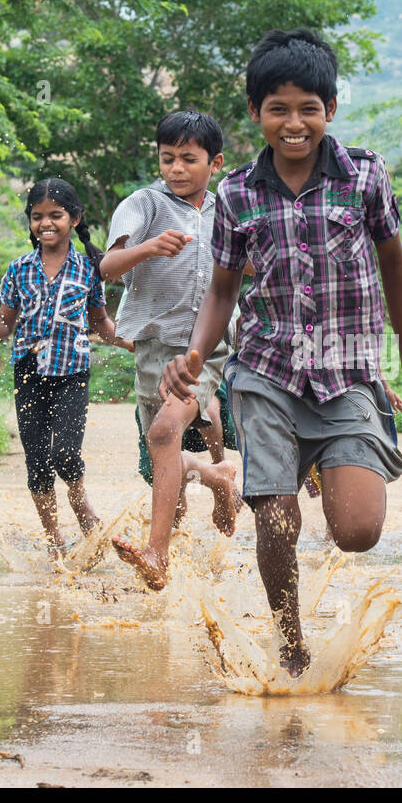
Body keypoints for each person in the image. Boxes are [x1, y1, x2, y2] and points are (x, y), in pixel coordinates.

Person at [160, 28, 402, 677]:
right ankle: (289, 633)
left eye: (308, 108)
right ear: (254, 113)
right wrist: (193, 355)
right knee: (275, 517)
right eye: (278, 108)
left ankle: (325, 463)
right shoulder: (236, 193)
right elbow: (222, 289)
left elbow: (395, 266)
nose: (294, 124)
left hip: (348, 373)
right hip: (264, 373)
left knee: (357, 531)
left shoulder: (364, 176)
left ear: (329, 109)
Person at [99, 111, 241, 589]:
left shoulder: (227, 212)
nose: (176, 169)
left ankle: (157, 555)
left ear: (214, 162)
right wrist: (149, 248)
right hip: (152, 347)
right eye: (167, 159)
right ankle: (219, 477)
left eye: (188, 159)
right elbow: (106, 267)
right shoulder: (143, 205)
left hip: (204, 348)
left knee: (163, 432)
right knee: (163, 451)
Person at [0, 178, 128, 564]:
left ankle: (83, 509)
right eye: (37, 216)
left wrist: (133, 342)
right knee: (37, 459)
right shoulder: (19, 269)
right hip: (27, 372)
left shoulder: (89, 268)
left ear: (74, 219)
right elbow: (4, 328)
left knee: (65, 454)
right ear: (29, 222)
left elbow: (101, 324)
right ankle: (55, 539)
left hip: (72, 372)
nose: (46, 223)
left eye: (55, 215)